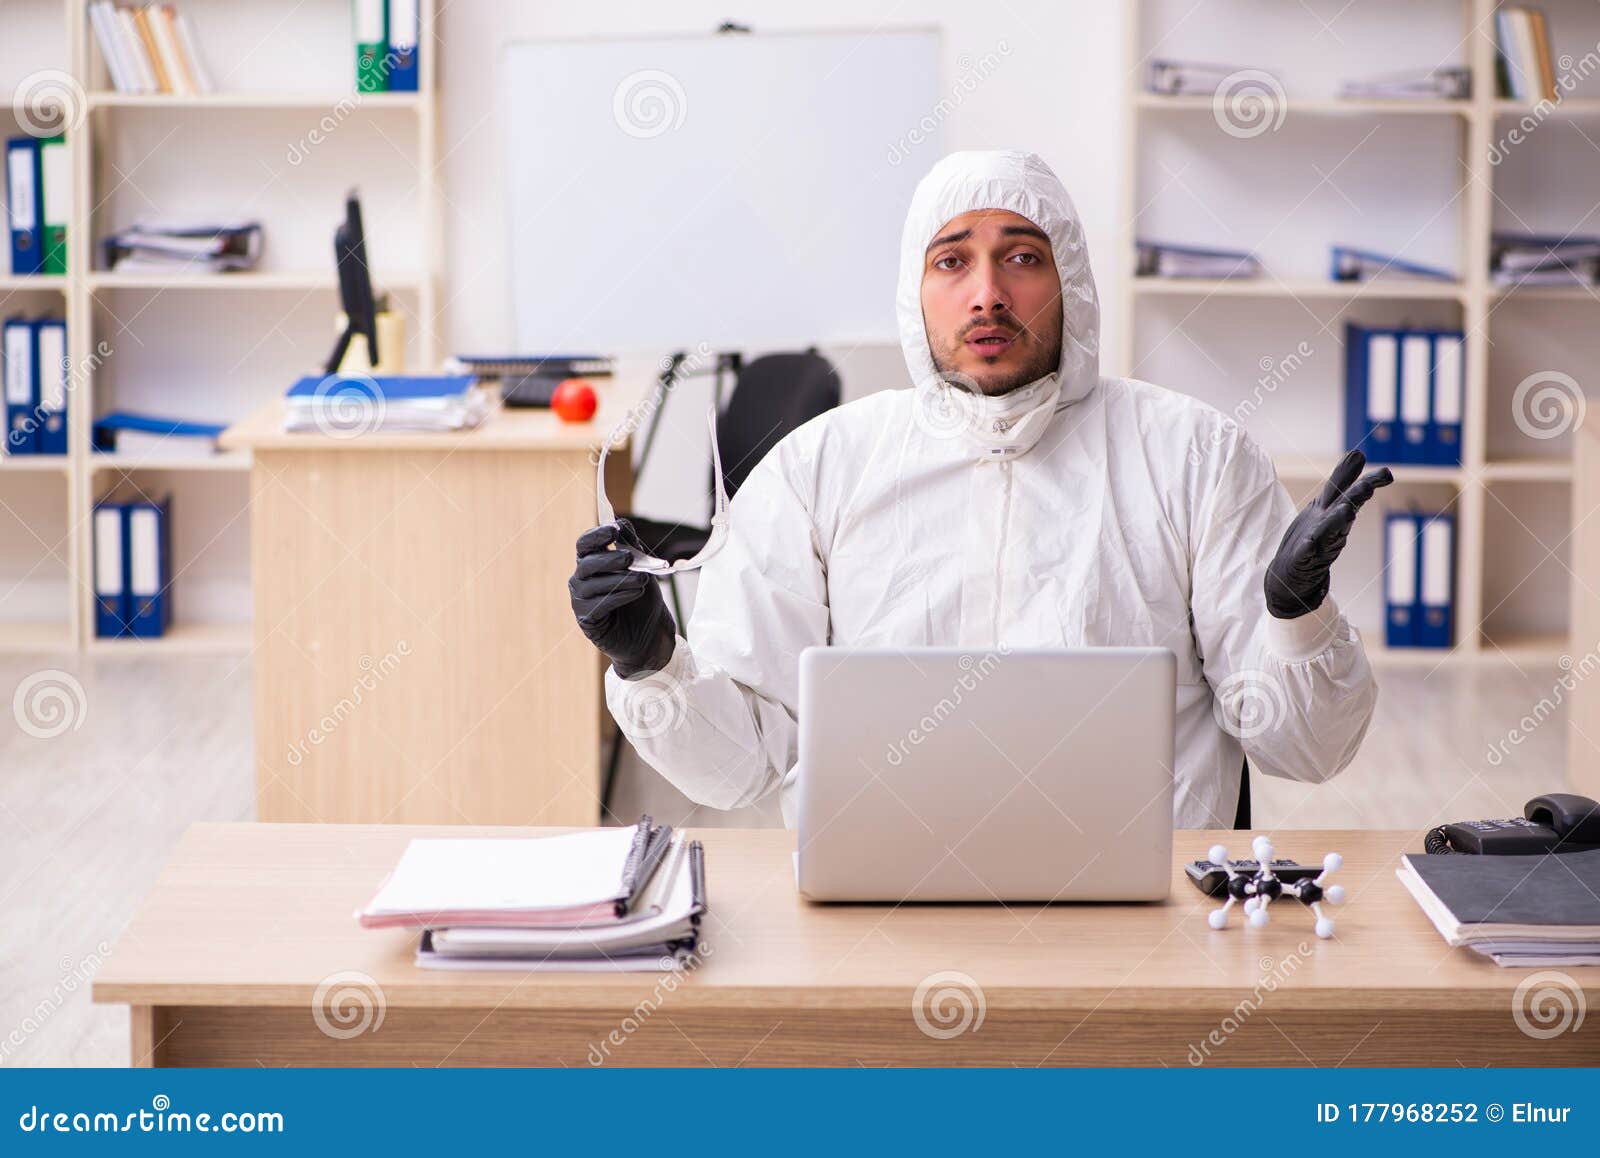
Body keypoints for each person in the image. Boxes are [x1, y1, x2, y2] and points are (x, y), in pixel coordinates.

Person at [569, 150, 1391, 828]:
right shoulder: (819, 468)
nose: (988, 293)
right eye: (952, 260)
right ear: (914, 294)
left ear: (1070, 280)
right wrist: (654, 666)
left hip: (1150, 933)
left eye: (1023, 258)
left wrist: (1300, 620)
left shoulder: (1194, 456)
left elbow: (1307, 751)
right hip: (880, 911)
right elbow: (745, 767)